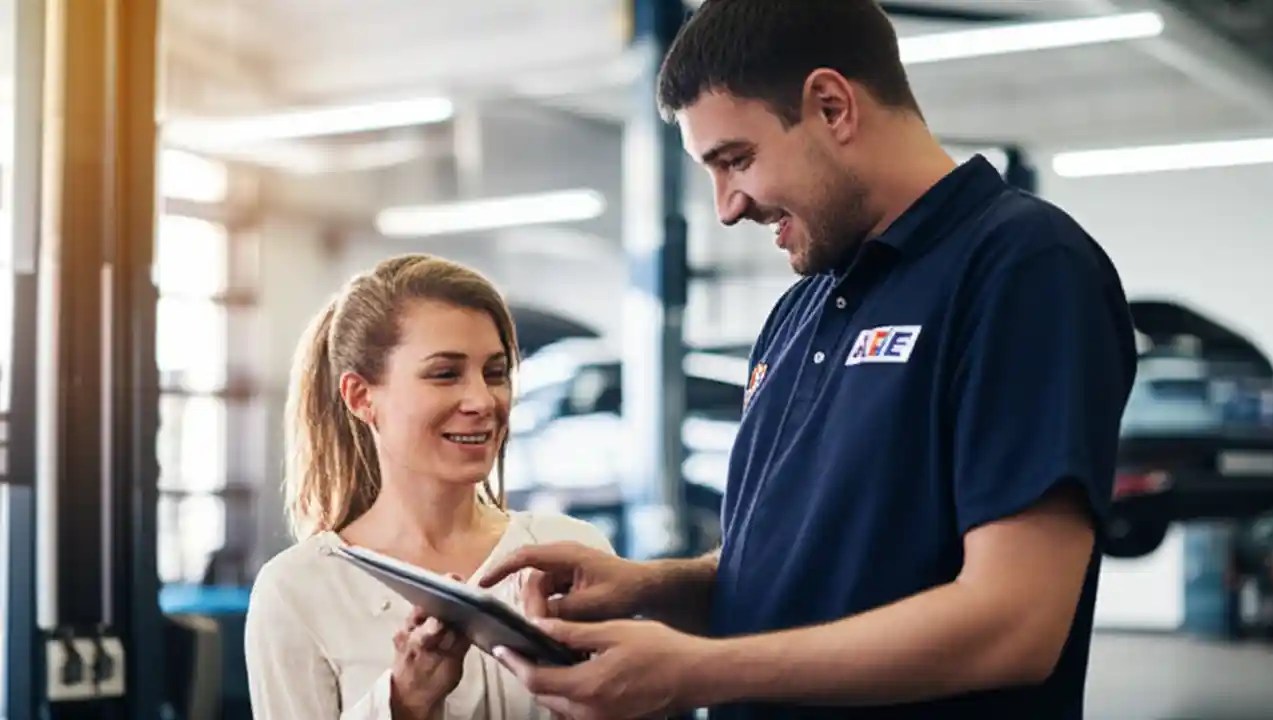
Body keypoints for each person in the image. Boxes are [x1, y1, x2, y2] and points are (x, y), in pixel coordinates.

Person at [479, 1, 1138, 718]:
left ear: (832, 106)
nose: (727, 207)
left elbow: (1014, 624)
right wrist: (653, 588)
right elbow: (794, 581)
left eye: (736, 160)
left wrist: (700, 671)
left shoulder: (1023, 268)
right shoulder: (803, 309)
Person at [244, 253, 615, 719]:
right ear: (361, 397)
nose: (482, 400)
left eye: (495, 373)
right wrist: (403, 702)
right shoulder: (297, 590)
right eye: (445, 374)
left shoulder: (570, 551)